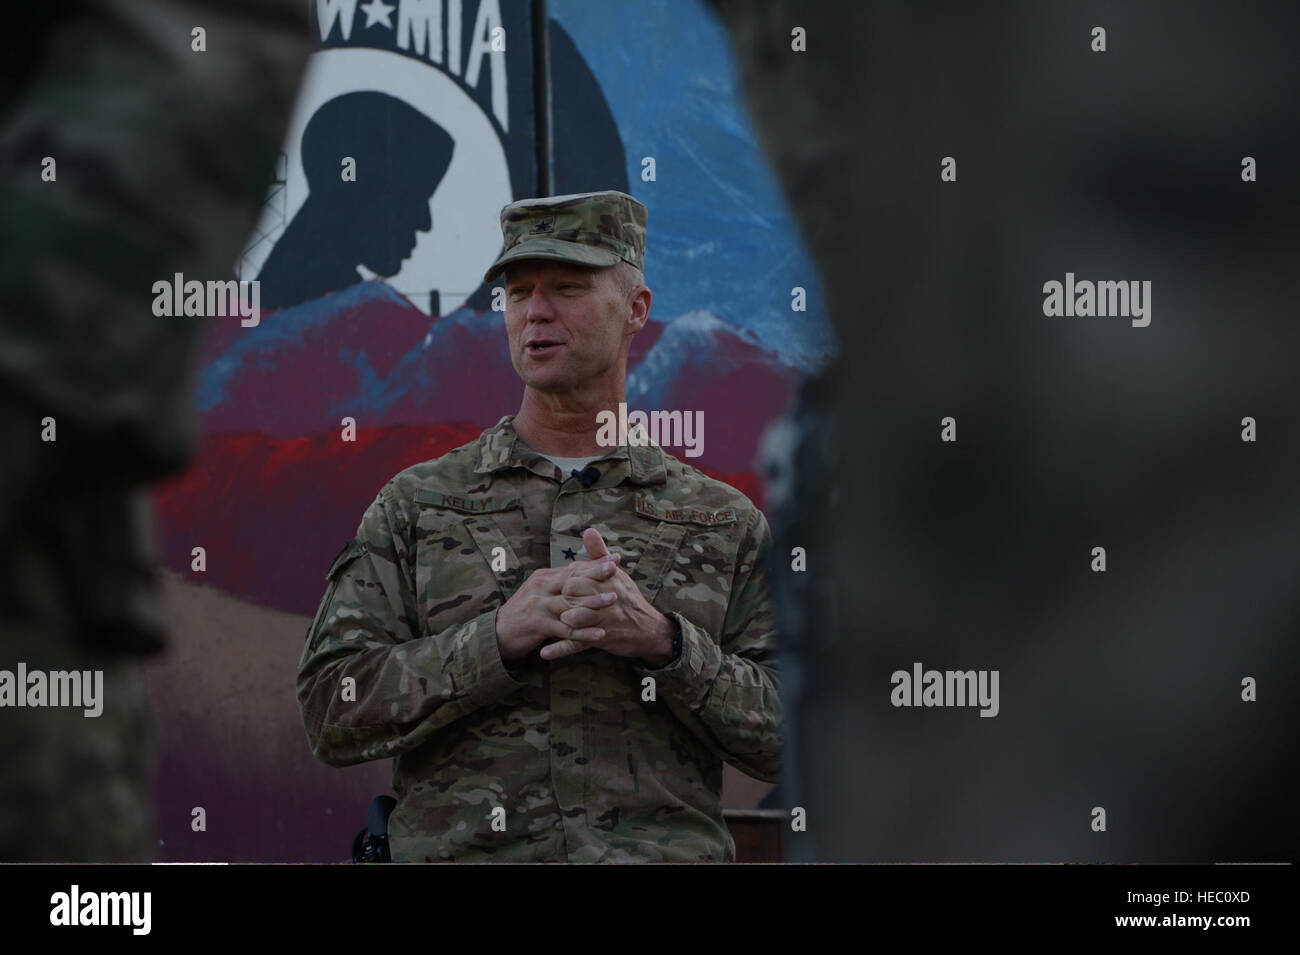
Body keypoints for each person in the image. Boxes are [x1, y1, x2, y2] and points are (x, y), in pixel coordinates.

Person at [297, 190, 782, 862]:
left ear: (637, 308)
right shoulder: (419, 505)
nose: (536, 311)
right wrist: (494, 640)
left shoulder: (719, 520)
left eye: (568, 287)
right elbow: (330, 706)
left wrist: (666, 644)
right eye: (518, 291)